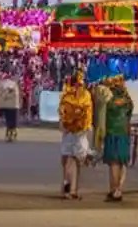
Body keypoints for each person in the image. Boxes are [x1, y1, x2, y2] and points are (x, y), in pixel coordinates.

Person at [58, 70, 93, 200]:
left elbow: (61, 112)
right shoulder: (86, 95)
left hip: (68, 131)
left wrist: (63, 124)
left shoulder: (66, 95)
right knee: (76, 160)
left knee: (67, 159)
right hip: (81, 131)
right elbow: (89, 113)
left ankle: (66, 187)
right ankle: (72, 190)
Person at [101, 75, 134, 202]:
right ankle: (118, 189)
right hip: (123, 132)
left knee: (113, 162)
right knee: (122, 162)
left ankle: (114, 190)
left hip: (112, 131)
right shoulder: (127, 99)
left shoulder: (108, 98)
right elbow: (129, 113)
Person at [0, 70, 22, 142]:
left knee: (11, 120)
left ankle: (11, 133)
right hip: (12, 105)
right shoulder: (11, 84)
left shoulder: (11, 84)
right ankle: (10, 134)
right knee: (11, 120)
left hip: (11, 104)